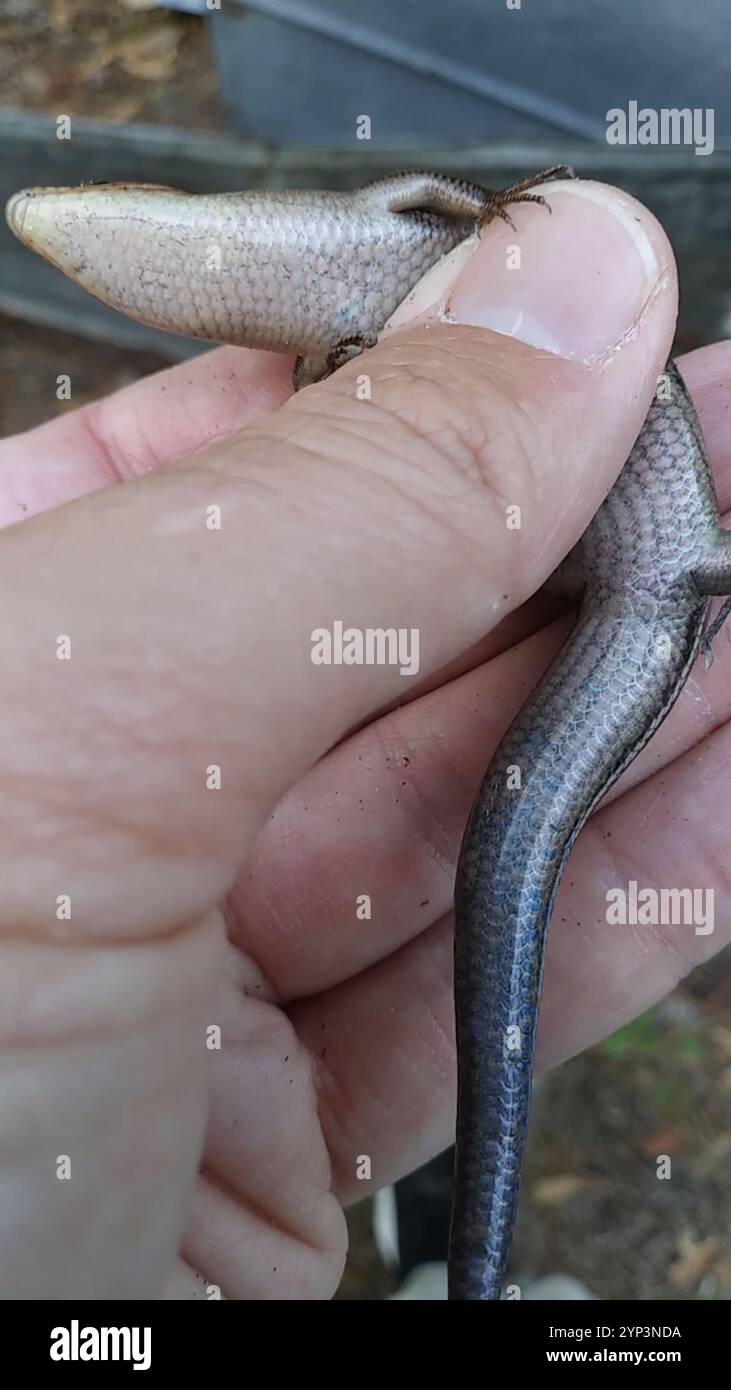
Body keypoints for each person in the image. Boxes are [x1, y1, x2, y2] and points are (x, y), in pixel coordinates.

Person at [1, 179, 728, 1299]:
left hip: (661, 572)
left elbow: (418, 203)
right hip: (666, 572)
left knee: (519, 833)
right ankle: (468, 1278)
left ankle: (460, 1278)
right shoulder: (319, 276)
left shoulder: (319, 264)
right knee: (511, 848)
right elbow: (420, 204)